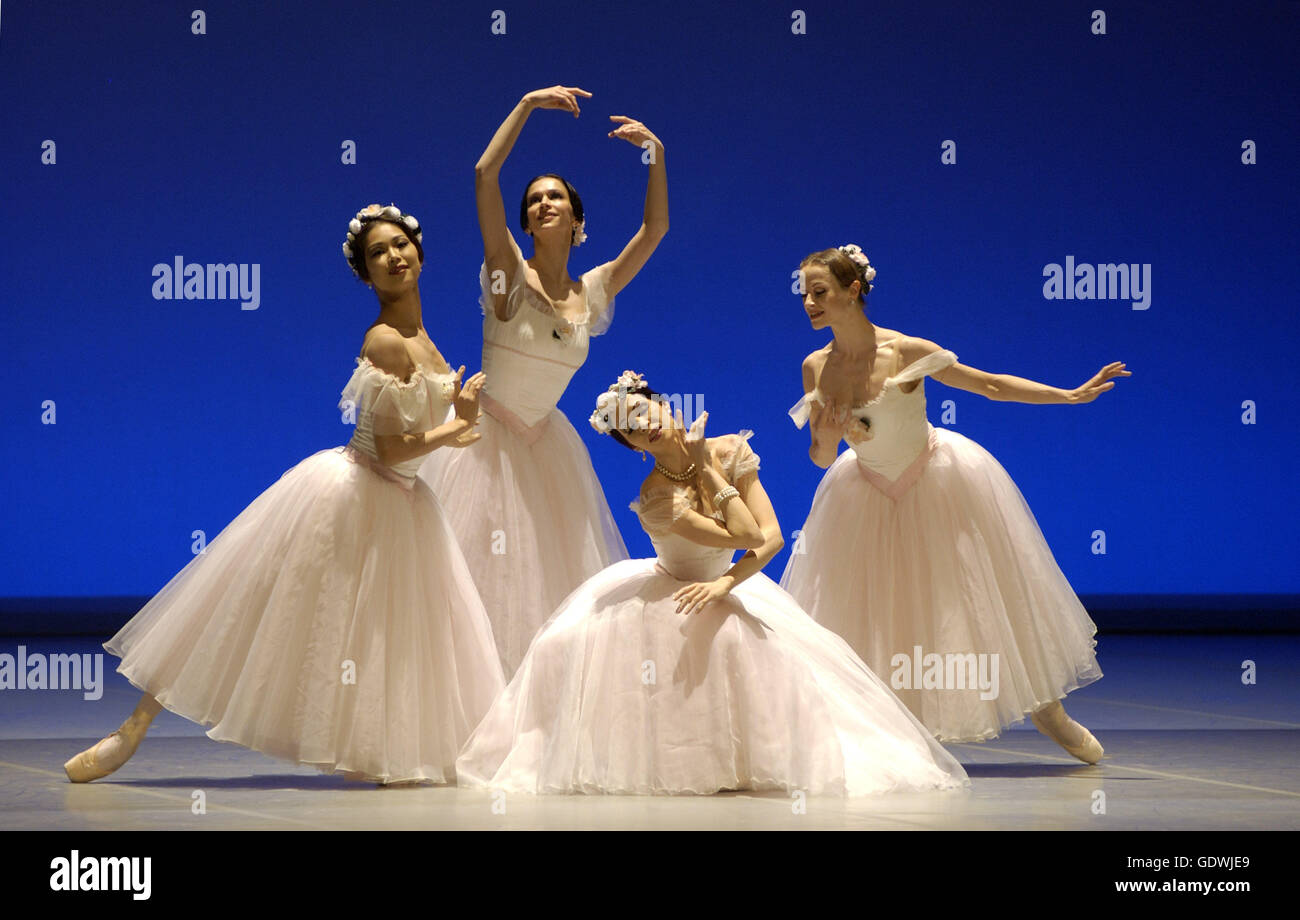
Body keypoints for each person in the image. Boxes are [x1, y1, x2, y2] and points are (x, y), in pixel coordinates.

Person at [63, 203, 505, 785]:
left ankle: (383, 750)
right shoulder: (384, 341)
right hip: (351, 492)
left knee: (381, 634)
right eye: (378, 252)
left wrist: (458, 415)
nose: (393, 257)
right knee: (248, 603)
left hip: (402, 502)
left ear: (420, 253)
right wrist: (455, 426)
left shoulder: (422, 336)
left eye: (400, 245)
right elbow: (388, 448)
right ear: (365, 274)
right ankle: (134, 726)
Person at [455, 372, 969, 795]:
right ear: (632, 447)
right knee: (587, 652)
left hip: (727, 584)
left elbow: (770, 541)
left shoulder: (728, 449)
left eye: (643, 414)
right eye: (630, 431)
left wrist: (726, 581)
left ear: (665, 407)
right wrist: (705, 474)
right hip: (679, 590)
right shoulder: (658, 497)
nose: (642, 428)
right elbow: (743, 534)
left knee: (777, 661)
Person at [781, 245, 1130, 762]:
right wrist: (829, 440)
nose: (808, 302)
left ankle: (1046, 710)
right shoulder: (815, 367)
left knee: (975, 601)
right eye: (804, 293)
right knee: (875, 616)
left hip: (937, 480)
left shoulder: (904, 351)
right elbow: (818, 454)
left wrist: (1069, 395)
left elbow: (987, 384)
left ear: (853, 290)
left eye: (820, 292)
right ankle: (885, 734)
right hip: (864, 492)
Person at [419, 85, 669, 675]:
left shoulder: (594, 290)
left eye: (554, 197)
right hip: (484, 445)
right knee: (475, 583)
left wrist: (655, 154)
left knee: (543, 590)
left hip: (546, 448)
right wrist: (527, 106)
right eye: (533, 199)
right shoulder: (508, 271)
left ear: (577, 221)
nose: (541, 204)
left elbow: (653, 230)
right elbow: (485, 175)